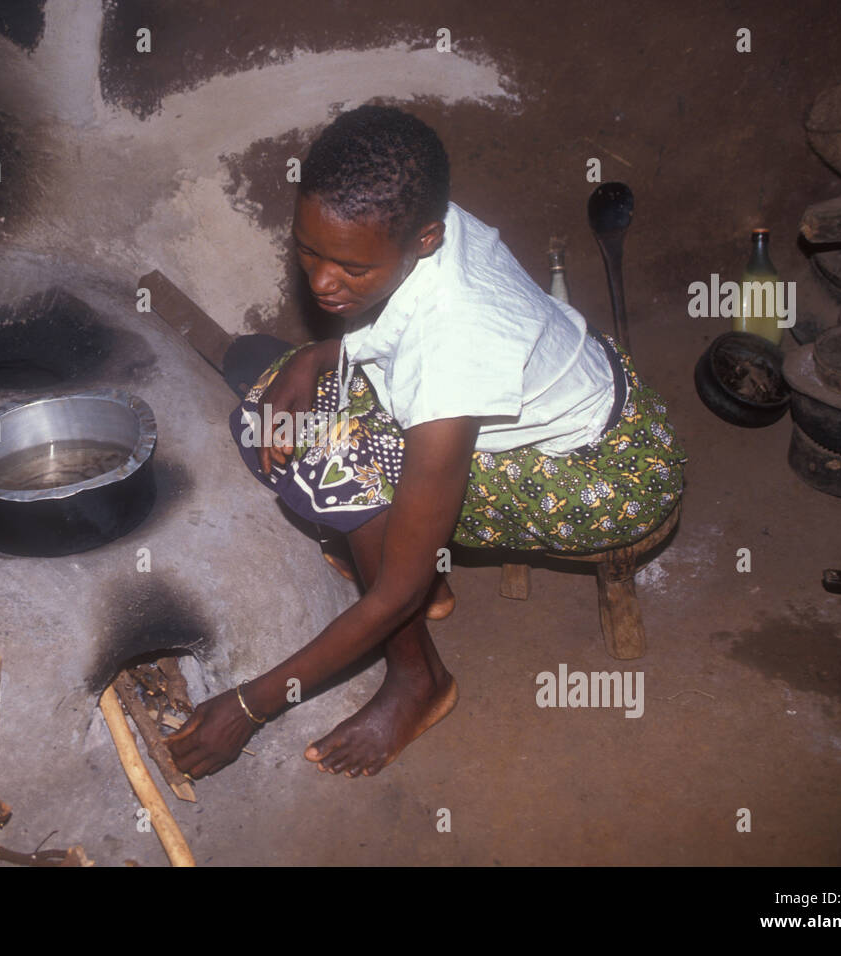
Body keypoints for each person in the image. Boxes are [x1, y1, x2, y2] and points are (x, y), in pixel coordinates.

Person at [166, 105, 686, 779]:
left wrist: (251, 705)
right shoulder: (419, 218)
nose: (323, 282)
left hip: (605, 477)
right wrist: (316, 358)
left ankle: (418, 682)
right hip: (596, 389)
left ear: (427, 238)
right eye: (307, 250)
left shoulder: (450, 355)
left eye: (352, 269)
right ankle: (415, 572)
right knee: (275, 402)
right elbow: (396, 331)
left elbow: (394, 591)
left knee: (342, 473)